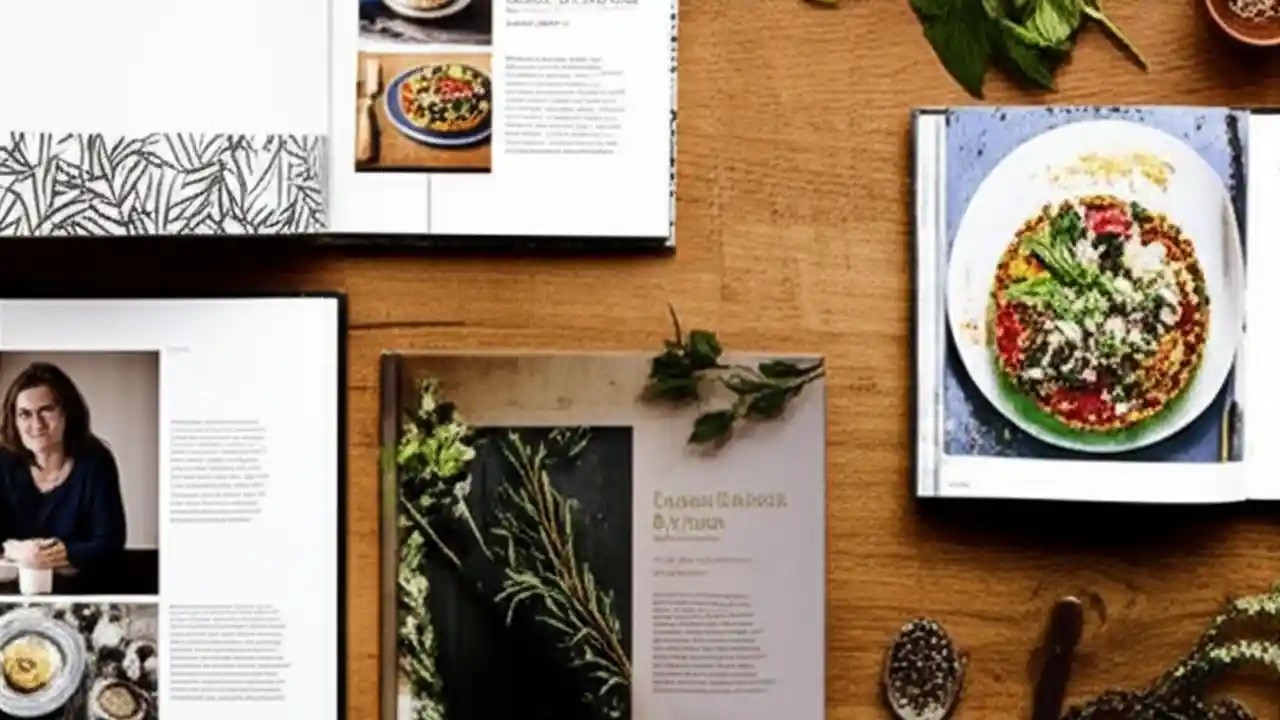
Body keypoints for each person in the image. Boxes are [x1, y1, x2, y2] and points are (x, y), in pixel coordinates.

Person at [0, 362, 126, 580]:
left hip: (80, 588)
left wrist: (54, 555)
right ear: (14, 420)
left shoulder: (96, 462)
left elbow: (110, 542)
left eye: (46, 410)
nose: (36, 424)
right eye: (25, 414)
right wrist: (13, 550)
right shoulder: (2, 462)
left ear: (67, 413)